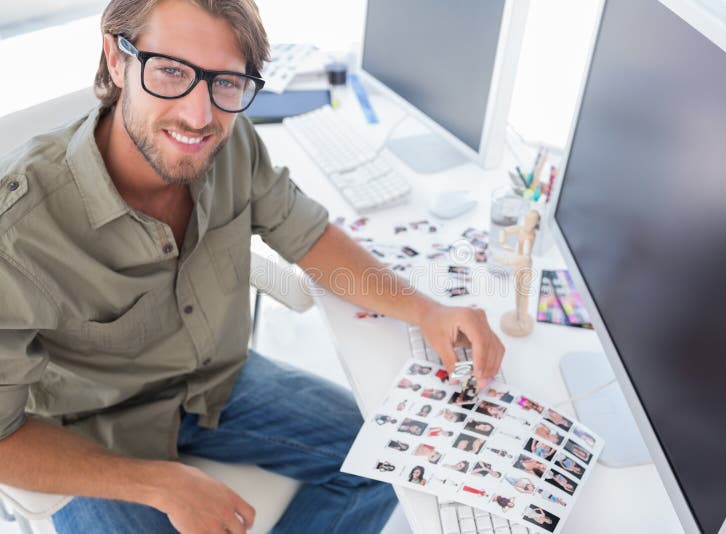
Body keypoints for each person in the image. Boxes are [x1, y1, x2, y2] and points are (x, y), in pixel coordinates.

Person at [0, 1, 508, 533]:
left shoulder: (230, 140)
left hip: (213, 382)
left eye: (226, 82)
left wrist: (424, 310)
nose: (200, 117)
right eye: (171, 71)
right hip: (93, 432)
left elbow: (308, 234)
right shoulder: (18, 231)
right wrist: (161, 483)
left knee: (388, 462)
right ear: (115, 57)